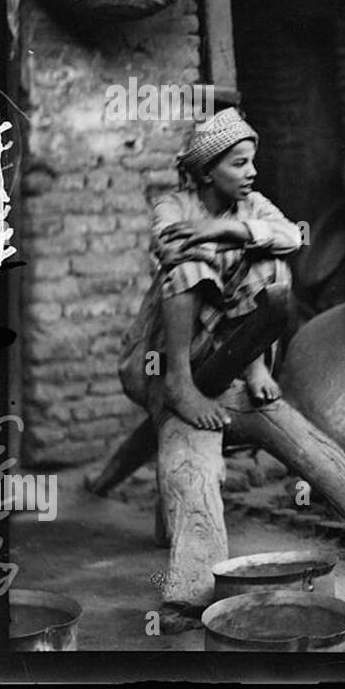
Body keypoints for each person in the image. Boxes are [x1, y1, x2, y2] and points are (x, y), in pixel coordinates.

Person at [118, 106, 303, 630]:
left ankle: (253, 368)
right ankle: (180, 385)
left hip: (233, 345)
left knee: (275, 267)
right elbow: (170, 245)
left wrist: (228, 233)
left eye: (252, 163)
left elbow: (291, 235)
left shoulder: (252, 203)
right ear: (205, 173)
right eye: (238, 165)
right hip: (173, 349)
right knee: (190, 264)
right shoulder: (172, 203)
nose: (251, 173)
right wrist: (209, 241)